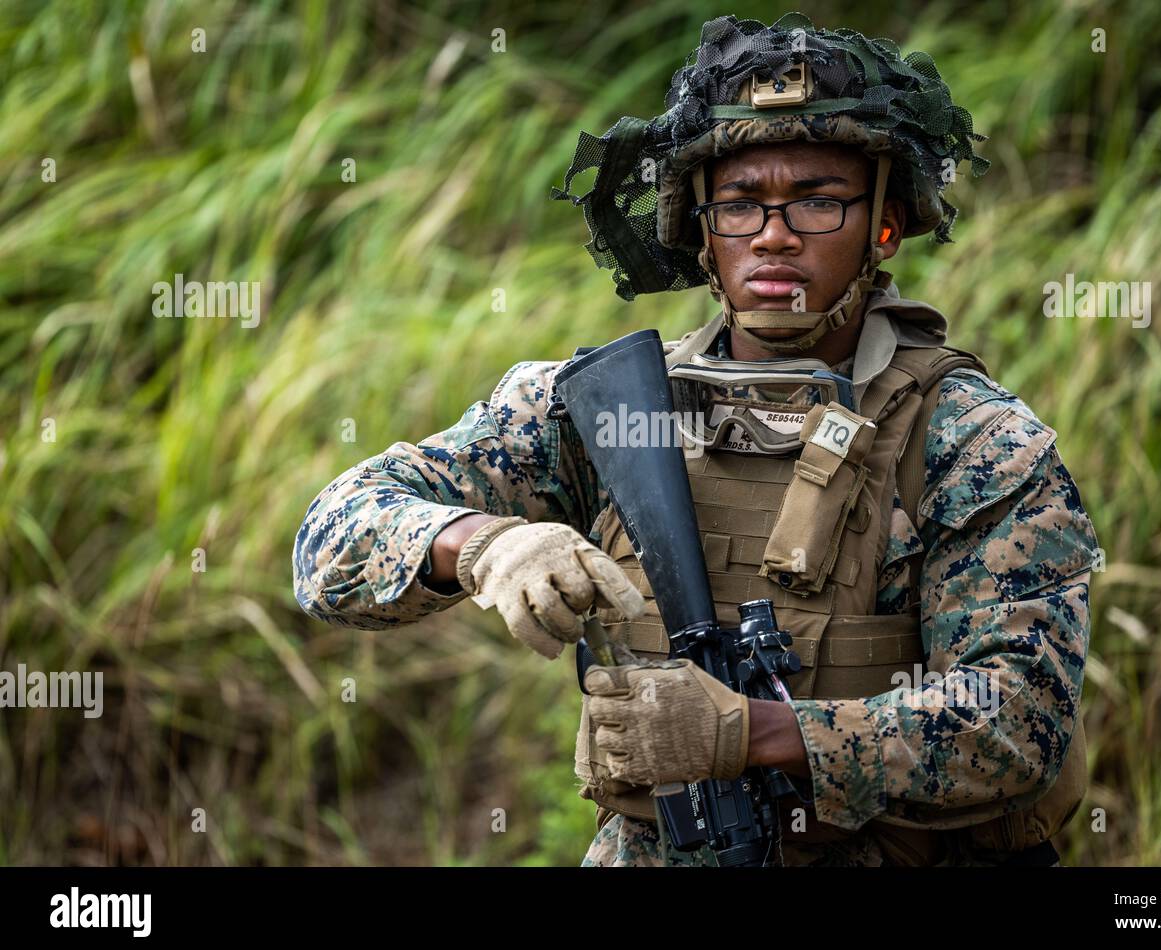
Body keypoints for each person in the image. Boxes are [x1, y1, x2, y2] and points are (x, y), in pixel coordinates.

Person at [293, 12, 1098, 867]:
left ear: (884, 225)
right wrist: (486, 545)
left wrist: (757, 733)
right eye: (742, 204)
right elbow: (329, 542)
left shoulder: (971, 440)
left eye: (819, 201)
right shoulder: (605, 411)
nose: (775, 234)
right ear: (700, 230)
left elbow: (1018, 717)